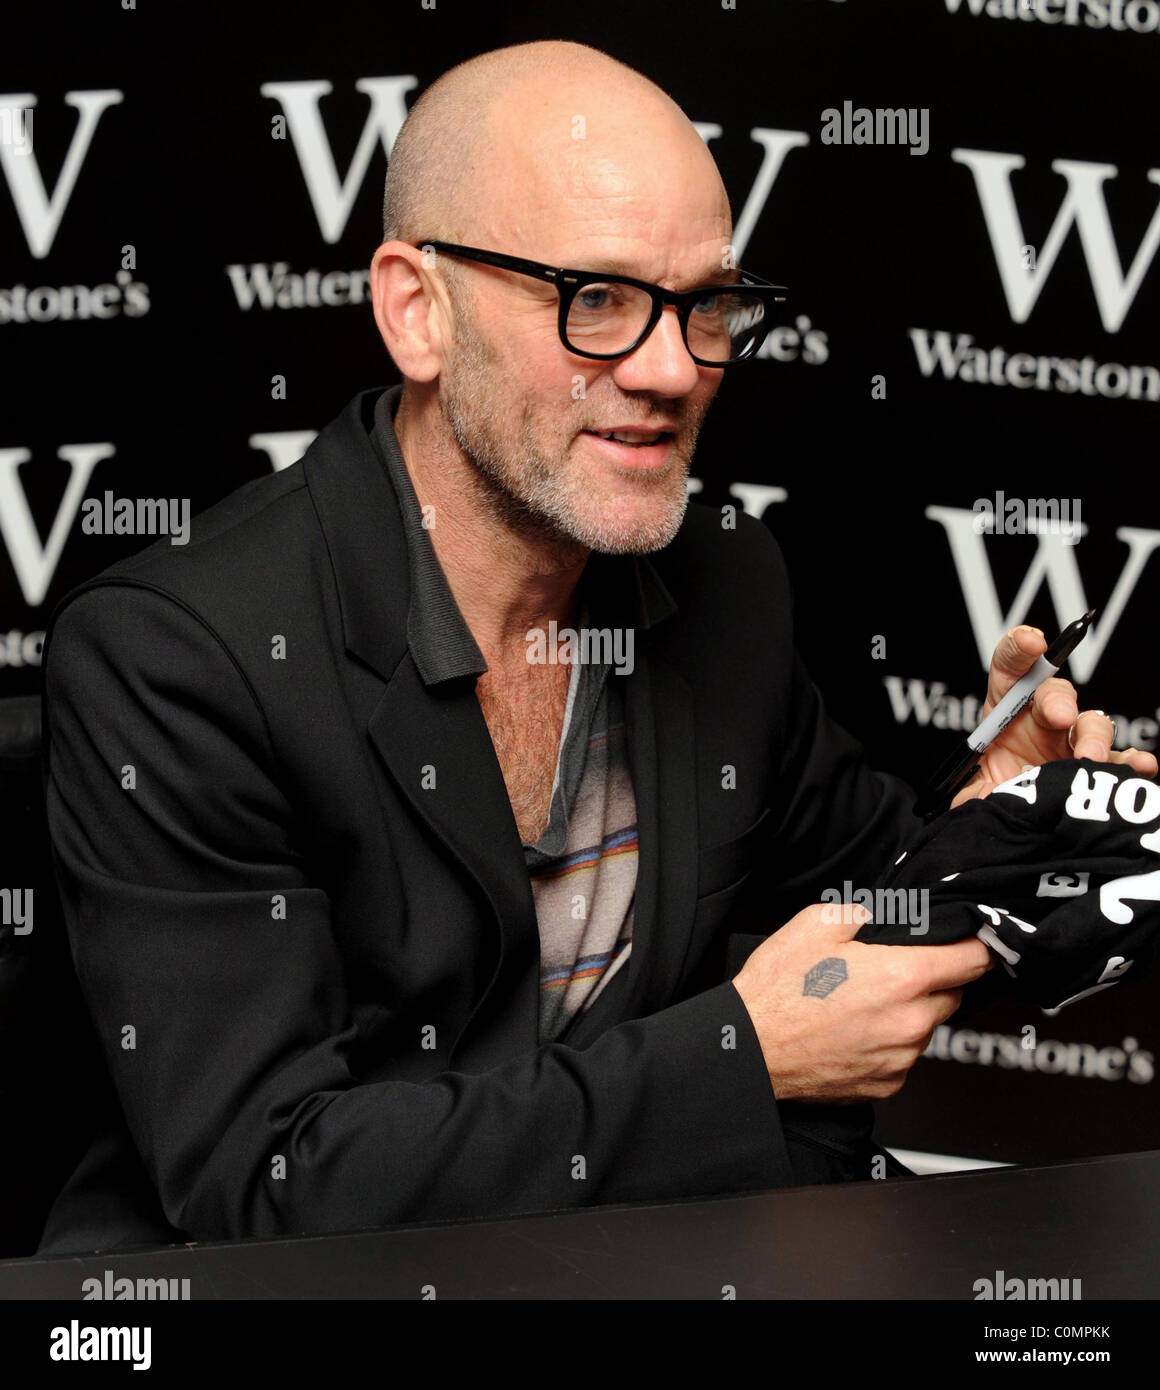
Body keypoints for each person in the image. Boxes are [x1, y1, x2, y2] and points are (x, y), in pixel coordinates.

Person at [36, 40, 1155, 1254]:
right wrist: (743, 1054)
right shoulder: (175, 658)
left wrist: (990, 828)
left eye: (708, 304)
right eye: (598, 300)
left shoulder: (724, 580)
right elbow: (266, 1185)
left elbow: (861, 899)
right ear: (419, 311)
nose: (674, 370)